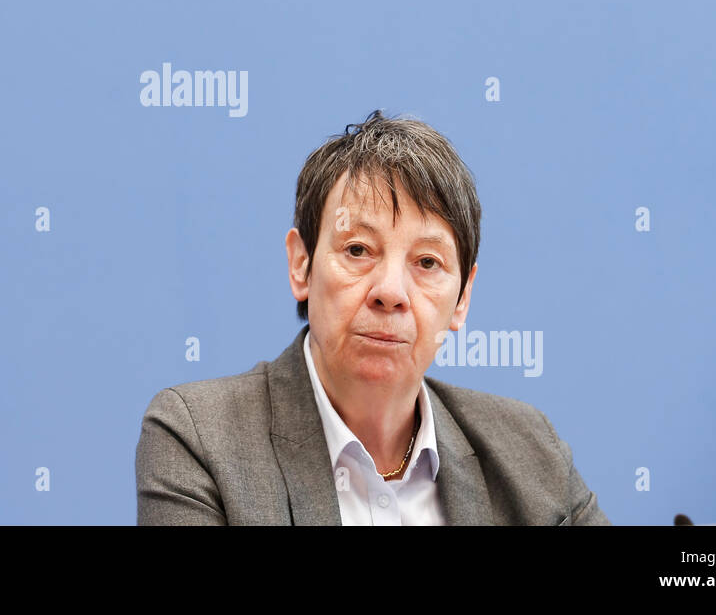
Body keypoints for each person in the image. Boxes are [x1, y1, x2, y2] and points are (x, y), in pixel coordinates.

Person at [135, 110, 610, 525]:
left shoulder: (530, 450)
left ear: (462, 298)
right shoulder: (199, 438)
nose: (390, 293)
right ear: (301, 264)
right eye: (358, 250)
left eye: (427, 263)